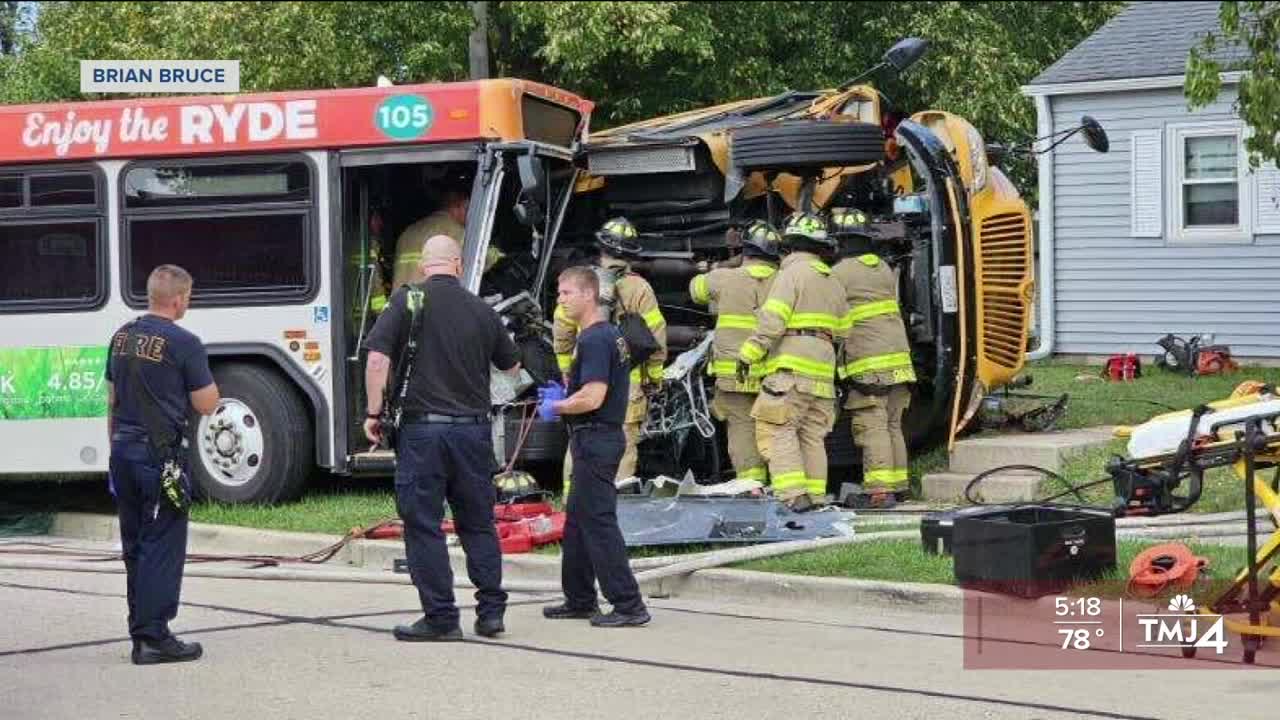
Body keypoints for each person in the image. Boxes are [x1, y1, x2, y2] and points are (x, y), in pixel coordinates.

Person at [364, 235, 522, 642]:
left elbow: (378, 358)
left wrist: (373, 412)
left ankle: (440, 617)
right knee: (478, 523)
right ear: (458, 265)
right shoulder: (481, 309)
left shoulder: (407, 300)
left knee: (424, 524)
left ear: (423, 267)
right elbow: (512, 366)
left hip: (422, 433)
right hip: (472, 431)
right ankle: (490, 614)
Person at [105, 264, 220, 665]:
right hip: (160, 458)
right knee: (163, 543)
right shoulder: (184, 342)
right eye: (188, 296)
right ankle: (154, 637)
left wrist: (114, 452)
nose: (188, 302)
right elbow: (206, 403)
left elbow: (112, 401)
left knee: (135, 544)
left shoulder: (121, 337)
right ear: (177, 299)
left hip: (123, 451)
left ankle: (140, 632)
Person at [538, 266, 651, 628]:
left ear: (588, 294)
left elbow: (594, 395)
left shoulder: (594, 339)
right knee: (578, 521)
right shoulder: (607, 336)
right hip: (594, 437)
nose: (561, 300)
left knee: (599, 522)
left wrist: (557, 406)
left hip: (596, 438)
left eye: (566, 293)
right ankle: (580, 599)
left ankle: (628, 604)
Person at [736, 212, 848, 509]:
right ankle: (815, 496)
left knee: (776, 428)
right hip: (823, 372)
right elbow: (845, 329)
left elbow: (773, 320)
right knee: (812, 436)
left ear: (789, 246)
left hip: (792, 369)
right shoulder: (833, 280)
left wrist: (749, 353)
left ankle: (792, 497)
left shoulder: (790, 275)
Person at [552, 217, 667, 486]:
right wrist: (654, 376)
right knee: (622, 445)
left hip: (588, 378)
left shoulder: (583, 283)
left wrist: (566, 369)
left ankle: (572, 504)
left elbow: (562, 328)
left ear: (600, 247)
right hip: (628, 383)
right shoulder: (639, 287)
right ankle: (617, 505)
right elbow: (656, 336)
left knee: (580, 440)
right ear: (630, 254)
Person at [830, 208, 917, 509]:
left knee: (873, 426)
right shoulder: (882, 267)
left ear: (840, 241)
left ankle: (880, 491)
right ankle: (899, 485)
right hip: (898, 360)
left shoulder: (839, 273)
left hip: (869, 362)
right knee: (893, 424)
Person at [688, 220, 782, 484]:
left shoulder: (723, 278)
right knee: (778, 429)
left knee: (742, 428)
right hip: (774, 373)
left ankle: (752, 486)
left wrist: (723, 265)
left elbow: (695, 289)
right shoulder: (786, 281)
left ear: (745, 250)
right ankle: (784, 484)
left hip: (734, 375)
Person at [391, 186, 470, 289]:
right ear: (456, 207)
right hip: (431, 302)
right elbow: (477, 260)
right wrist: (496, 254)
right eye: (466, 209)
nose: (468, 215)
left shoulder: (408, 231)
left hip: (401, 302)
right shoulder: (456, 231)